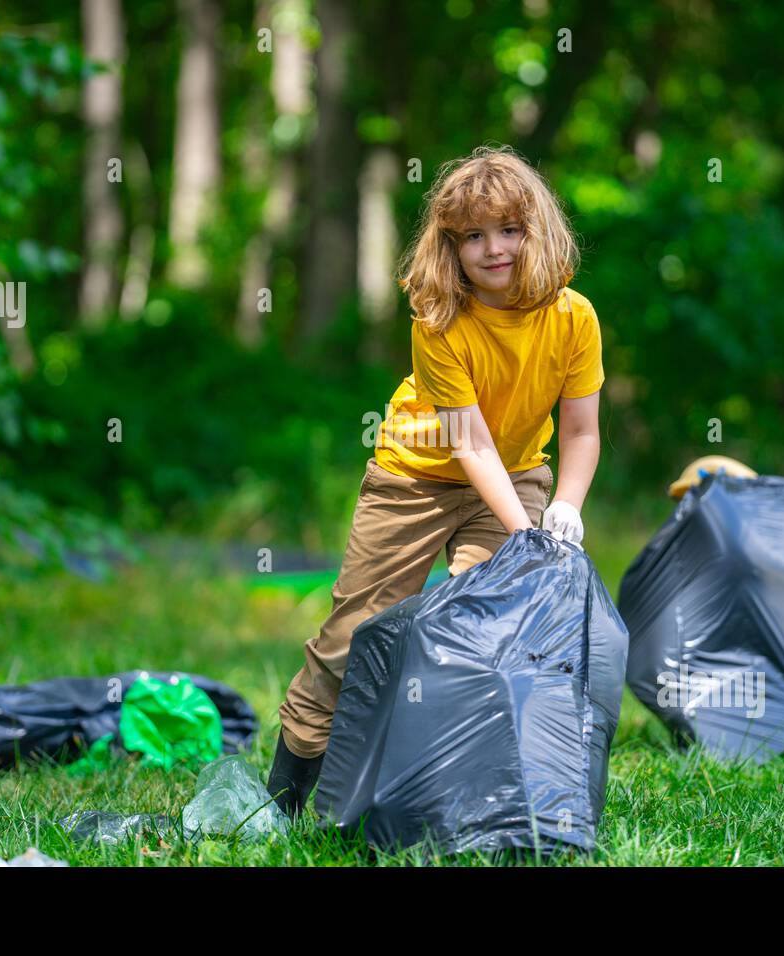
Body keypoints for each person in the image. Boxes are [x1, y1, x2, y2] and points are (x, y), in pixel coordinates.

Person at [266, 144, 606, 817]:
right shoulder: (440, 319)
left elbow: (581, 432)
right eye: (473, 236)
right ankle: (286, 796)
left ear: (536, 230)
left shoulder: (573, 317)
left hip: (515, 476)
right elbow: (468, 440)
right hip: (414, 479)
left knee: (477, 630)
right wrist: (527, 537)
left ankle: (454, 795)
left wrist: (563, 507)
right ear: (449, 247)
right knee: (350, 636)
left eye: (509, 230)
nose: (494, 249)